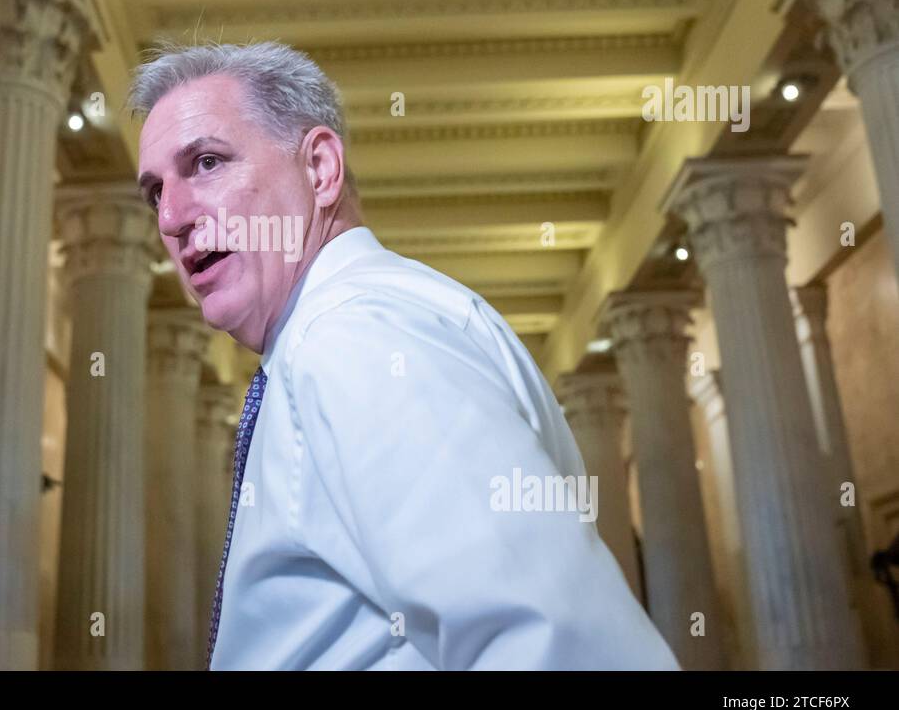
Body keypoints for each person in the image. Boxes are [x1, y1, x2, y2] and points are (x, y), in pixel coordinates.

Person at [132, 41, 679, 670]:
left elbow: (560, 646)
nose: (171, 217)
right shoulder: (354, 328)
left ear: (320, 169)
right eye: (154, 193)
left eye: (205, 162)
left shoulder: (355, 337)